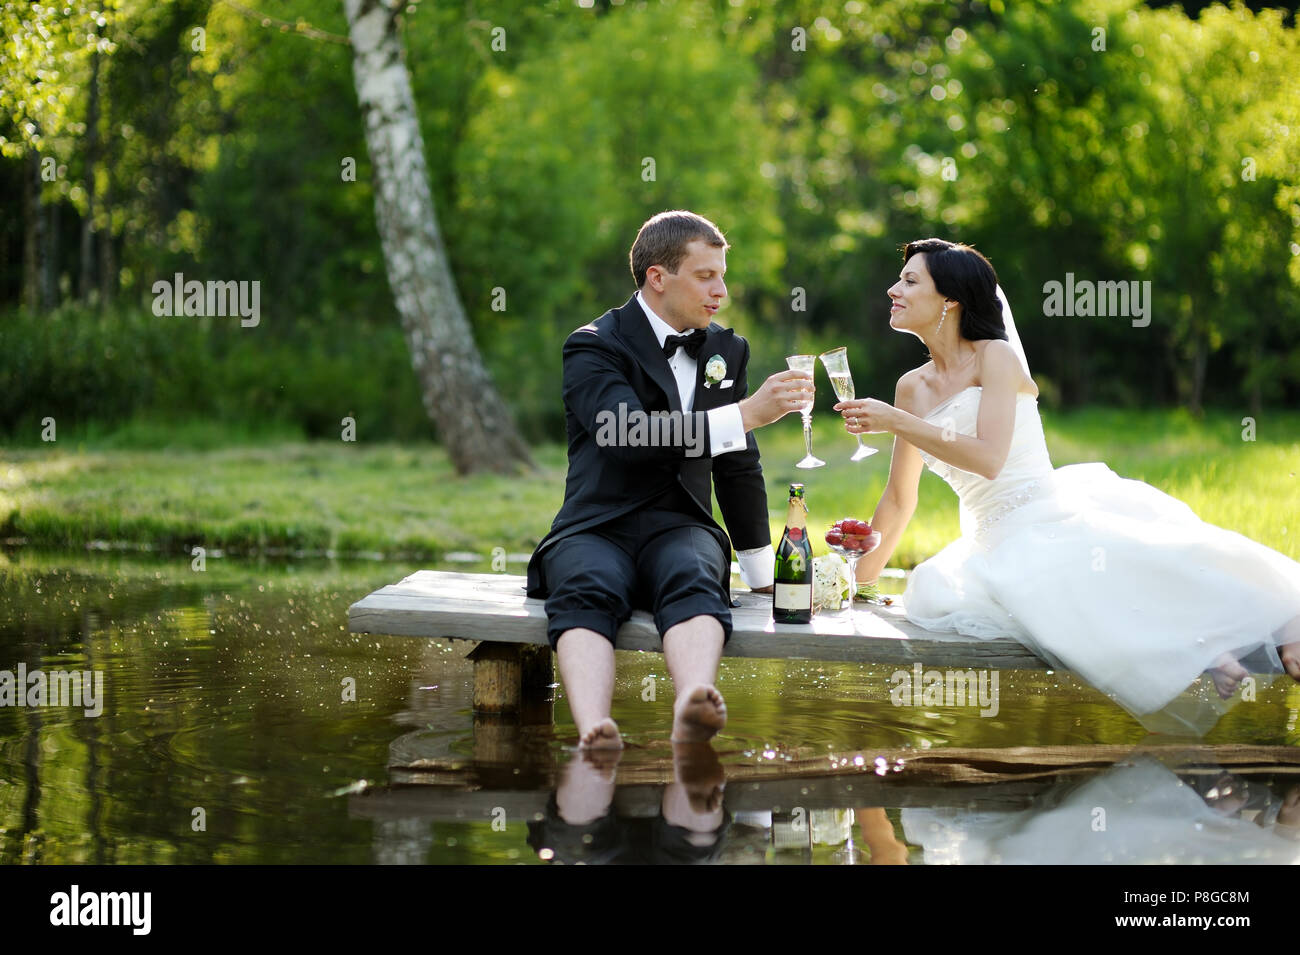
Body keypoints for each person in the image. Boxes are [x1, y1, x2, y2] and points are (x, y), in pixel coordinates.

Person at [832, 238, 1300, 735]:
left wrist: (897, 422)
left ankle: (1254, 633)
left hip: (1043, 515)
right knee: (971, 588)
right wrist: (855, 585)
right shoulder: (911, 387)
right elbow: (901, 498)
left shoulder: (996, 358)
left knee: (1077, 571)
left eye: (909, 281)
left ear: (950, 299)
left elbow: (989, 457)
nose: (892, 289)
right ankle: (1208, 655)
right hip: (986, 542)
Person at [526, 210, 812, 749]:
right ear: (658, 277)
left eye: (722, 276)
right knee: (586, 586)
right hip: (596, 523)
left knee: (695, 577)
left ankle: (692, 702)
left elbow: (736, 463)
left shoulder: (727, 350)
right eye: (706, 276)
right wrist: (744, 415)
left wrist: (758, 570)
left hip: (681, 522)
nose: (721, 291)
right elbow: (625, 433)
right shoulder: (592, 345)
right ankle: (594, 730)